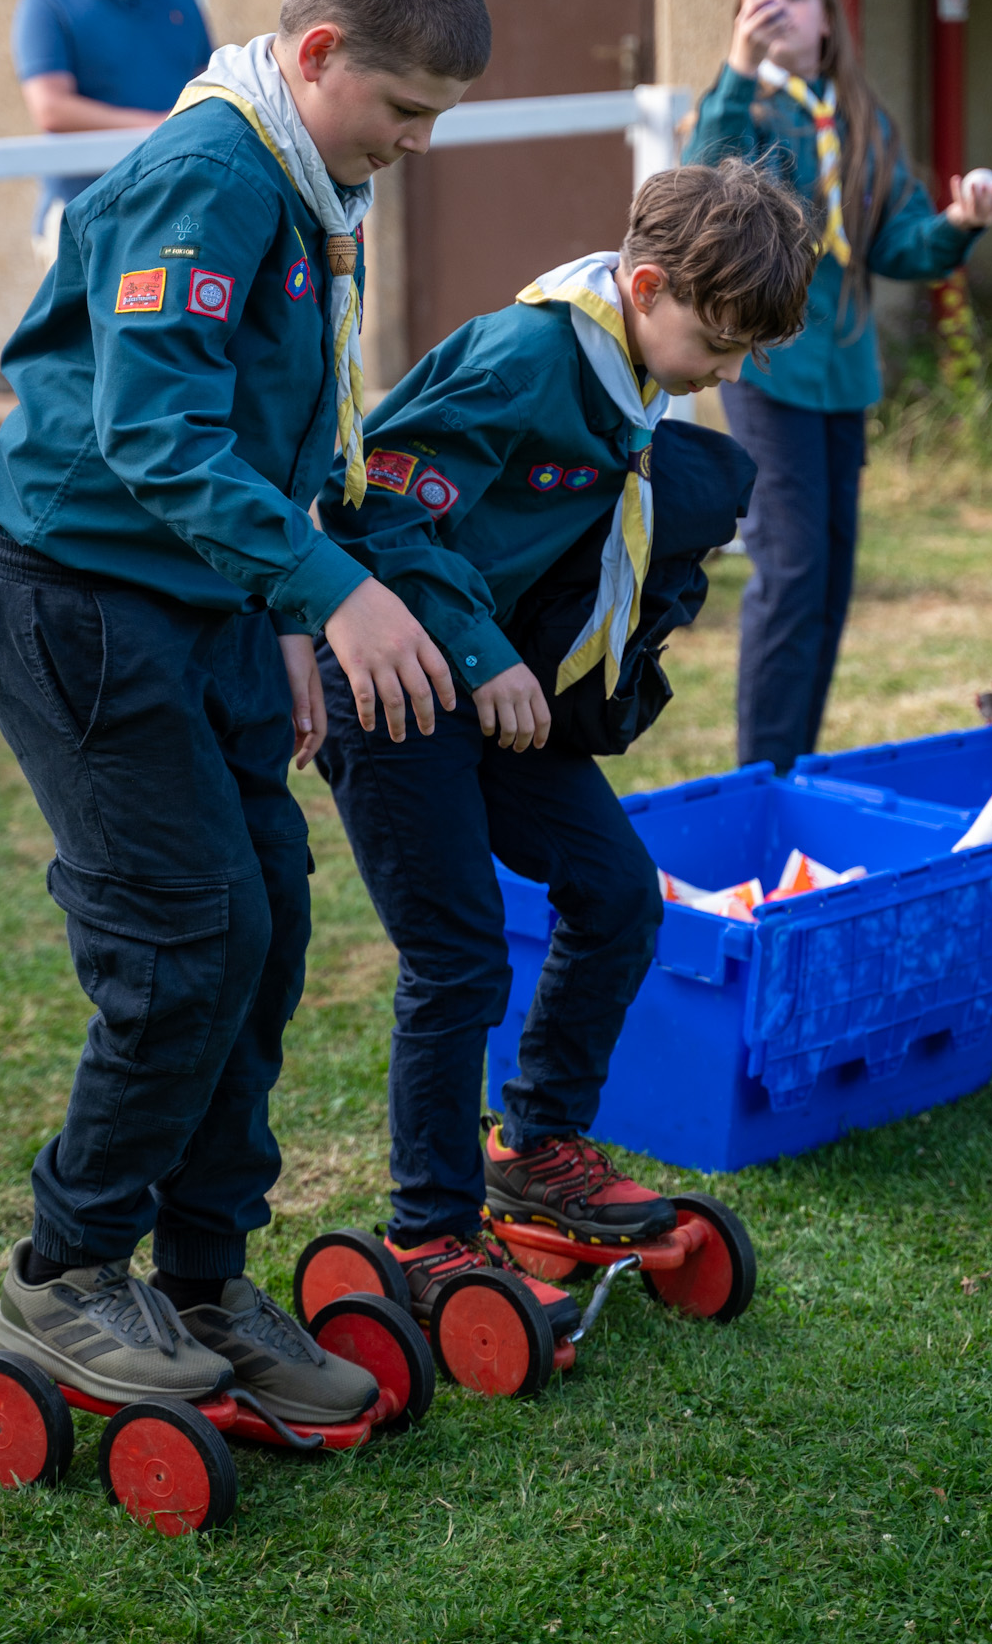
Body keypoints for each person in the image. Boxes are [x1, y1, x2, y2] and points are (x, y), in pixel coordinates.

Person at [0, 0, 490, 1423]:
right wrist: (336, 592)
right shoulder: (209, 175)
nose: (418, 143)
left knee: (263, 923)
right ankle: (64, 1272)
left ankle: (200, 1276)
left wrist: (277, 618)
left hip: (203, 601)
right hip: (79, 602)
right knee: (183, 938)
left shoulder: (308, 177)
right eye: (403, 111)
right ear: (316, 57)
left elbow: (272, 425)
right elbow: (154, 436)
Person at [314, 159, 816, 1328]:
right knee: (458, 956)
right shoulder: (527, 356)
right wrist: (482, 649)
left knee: (616, 890)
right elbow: (371, 503)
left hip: (495, 694)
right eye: (723, 340)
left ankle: (534, 1144)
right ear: (644, 286)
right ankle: (430, 1229)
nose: (731, 373)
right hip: (393, 677)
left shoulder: (634, 376)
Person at [684, 0, 992, 773]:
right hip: (769, 368)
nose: (777, 9)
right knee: (789, 572)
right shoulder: (741, 109)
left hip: (843, 372)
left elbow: (900, 244)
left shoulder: (859, 117)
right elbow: (704, 189)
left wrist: (958, 225)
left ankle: (796, 766)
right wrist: (737, 72)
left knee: (827, 581)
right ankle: (762, 773)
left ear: (828, 19)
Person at [12, 0, 212, 271]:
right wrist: (160, 128)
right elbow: (52, 109)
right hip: (82, 217)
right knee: (89, 341)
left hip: (174, 210)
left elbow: (208, 90)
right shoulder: (46, 2)